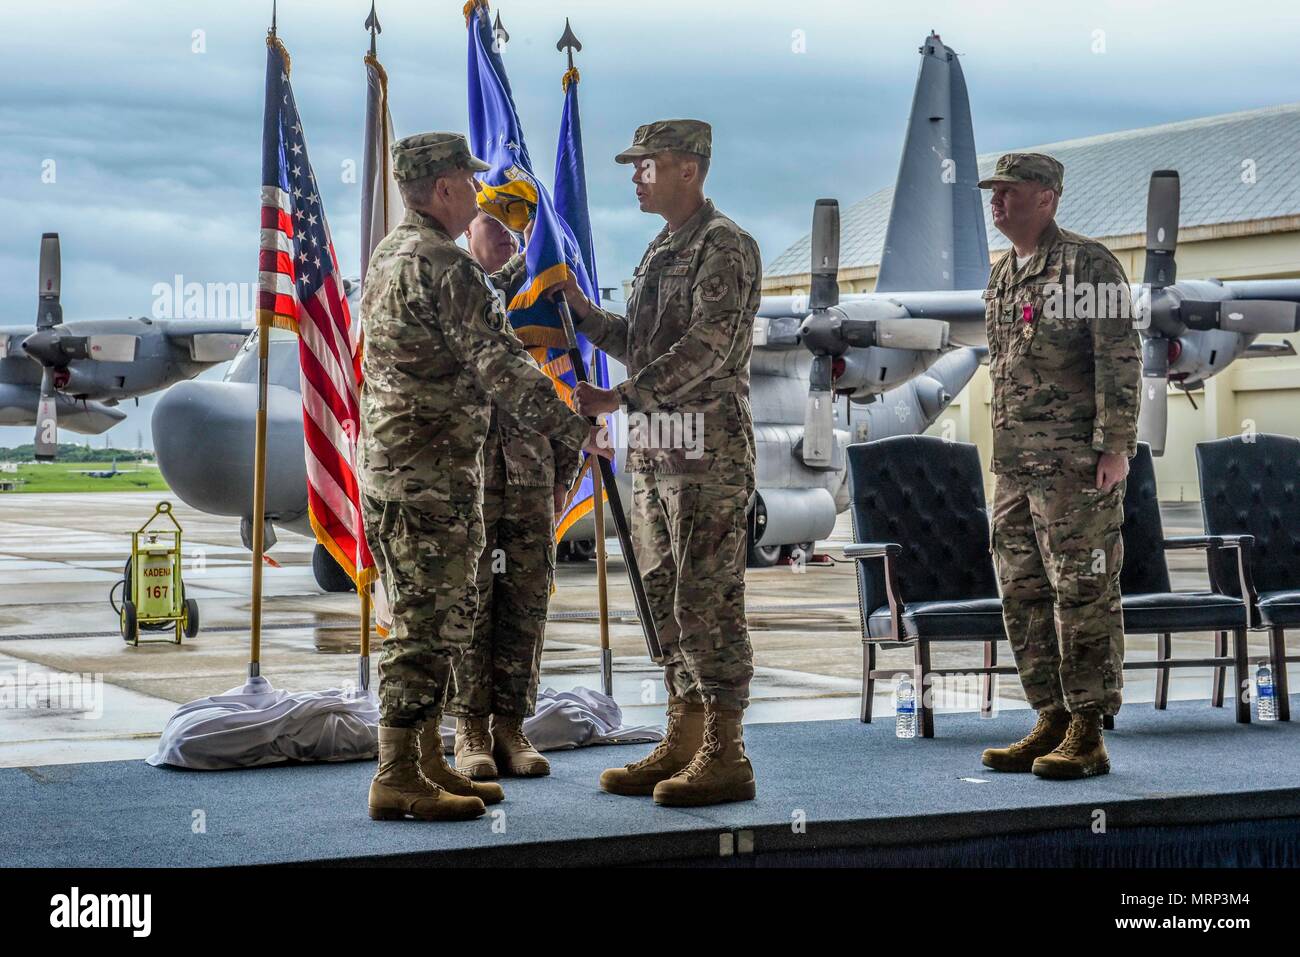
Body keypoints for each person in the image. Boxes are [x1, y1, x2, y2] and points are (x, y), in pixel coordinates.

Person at [358, 132, 607, 821]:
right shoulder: (446, 265)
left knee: (432, 619)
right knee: (425, 629)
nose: (476, 190)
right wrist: (578, 429)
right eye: (467, 181)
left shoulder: (389, 254)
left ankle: (426, 759)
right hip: (430, 478)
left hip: (395, 471)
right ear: (442, 189)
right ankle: (395, 773)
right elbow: (504, 369)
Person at [552, 119, 763, 806]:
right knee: (663, 600)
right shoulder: (659, 250)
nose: (636, 175)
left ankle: (725, 749)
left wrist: (618, 395)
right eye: (635, 164)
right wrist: (587, 316)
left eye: (649, 163)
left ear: (690, 170)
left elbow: (709, 346)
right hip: (655, 456)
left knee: (708, 600)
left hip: (705, 456)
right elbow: (642, 341)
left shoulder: (723, 246)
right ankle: (683, 733)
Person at [976, 152, 1140, 780]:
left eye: (1010, 192)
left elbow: (1119, 357)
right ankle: (1049, 715)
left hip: (1075, 465)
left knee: (1083, 590)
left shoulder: (1086, 264)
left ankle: (1088, 729)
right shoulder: (1002, 274)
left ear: (1046, 198)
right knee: (1021, 590)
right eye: (994, 192)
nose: (997, 201)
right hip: (1016, 466)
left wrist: (1115, 447)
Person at [448, 210, 577, 780]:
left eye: (513, 226)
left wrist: (560, 481)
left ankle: (510, 726)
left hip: (529, 487)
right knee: (471, 609)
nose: (504, 233)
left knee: (525, 611)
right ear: (466, 234)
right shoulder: (455, 297)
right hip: (472, 488)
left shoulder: (541, 298)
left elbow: (564, 395)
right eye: (489, 223)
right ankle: (470, 728)